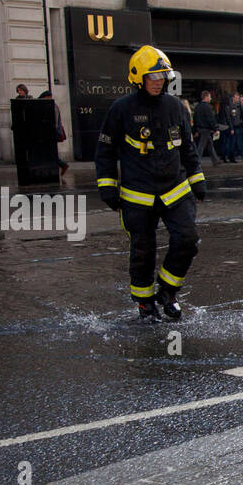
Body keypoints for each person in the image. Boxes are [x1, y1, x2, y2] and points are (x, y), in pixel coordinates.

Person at [95, 45, 206, 320]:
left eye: (162, 76)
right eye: (152, 77)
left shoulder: (175, 107)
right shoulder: (121, 109)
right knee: (143, 250)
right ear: (138, 78)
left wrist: (198, 179)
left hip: (176, 190)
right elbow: (105, 150)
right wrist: (107, 186)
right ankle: (145, 303)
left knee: (188, 239)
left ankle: (168, 291)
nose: (158, 82)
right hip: (137, 194)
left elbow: (188, 148)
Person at [38, 90, 69, 176]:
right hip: (51, 133)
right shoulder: (50, 106)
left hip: (53, 133)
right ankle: (61, 165)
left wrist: (50, 131)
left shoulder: (53, 107)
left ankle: (62, 165)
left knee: (50, 151)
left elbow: (54, 122)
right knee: (50, 151)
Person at [193, 90, 221, 166]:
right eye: (210, 97)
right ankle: (196, 161)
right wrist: (216, 129)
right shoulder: (207, 107)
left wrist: (195, 130)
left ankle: (215, 160)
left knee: (209, 145)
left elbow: (195, 118)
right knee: (201, 146)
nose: (211, 98)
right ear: (206, 97)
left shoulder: (197, 107)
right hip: (206, 129)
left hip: (200, 128)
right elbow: (210, 119)